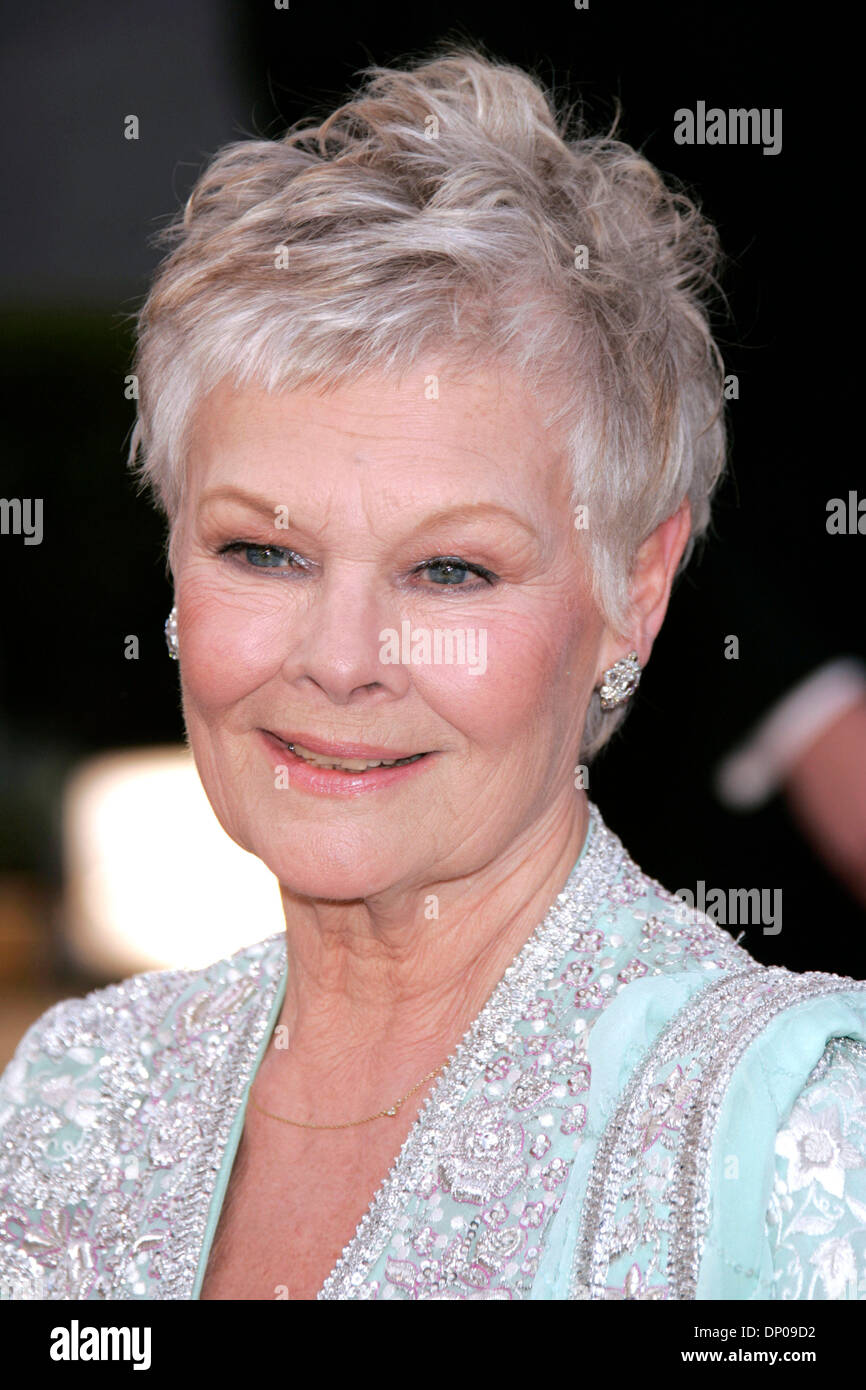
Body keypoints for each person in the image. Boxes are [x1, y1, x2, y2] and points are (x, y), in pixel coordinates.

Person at [1, 47, 864, 1302]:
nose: (342, 662)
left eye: (449, 571)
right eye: (264, 550)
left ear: (637, 588)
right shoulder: (68, 1094)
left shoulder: (796, 1141)